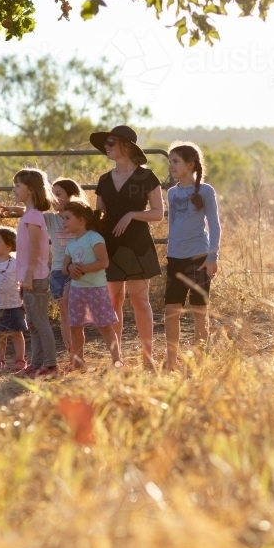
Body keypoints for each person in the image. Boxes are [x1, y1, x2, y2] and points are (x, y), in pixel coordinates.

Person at [90, 126, 165, 370]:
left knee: (140, 300)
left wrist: (132, 214)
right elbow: (98, 215)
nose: (107, 147)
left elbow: (158, 214)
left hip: (137, 245)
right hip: (109, 245)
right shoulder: (103, 180)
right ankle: (117, 359)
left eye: (111, 142)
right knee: (114, 300)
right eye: (106, 143)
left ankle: (147, 358)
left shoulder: (147, 177)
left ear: (126, 145)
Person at [163, 142, 222, 370]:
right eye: (170, 162)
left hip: (199, 258)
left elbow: (215, 226)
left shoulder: (205, 191)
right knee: (171, 311)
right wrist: (170, 253)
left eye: (175, 161)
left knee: (199, 311)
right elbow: (172, 227)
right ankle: (171, 361)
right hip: (175, 258)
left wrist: (212, 256)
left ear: (190, 164)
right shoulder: (171, 192)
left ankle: (200, 361)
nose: (171, 166)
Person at [60, 200, 121, 369]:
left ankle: (117, 359)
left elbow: (104, 262)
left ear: (81, 220)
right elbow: (64, 268)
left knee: (104, 326)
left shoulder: (94, 238)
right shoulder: (71, 243)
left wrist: (82, 269)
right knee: (75, 326)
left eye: (67, 218)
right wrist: (70, 267)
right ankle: (79, 363)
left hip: (96, 289)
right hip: (77, 291)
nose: (63, 222)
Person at [12, 168, 58, 378]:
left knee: (40, 322)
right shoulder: (30, 215)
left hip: (35, 277)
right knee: (33, 323)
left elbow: (34, 248)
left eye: (18, 186)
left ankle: (50, 364)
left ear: (29, 189)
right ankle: (37, 362)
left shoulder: (33, 217)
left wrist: (29, 274)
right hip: (29, 277)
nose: (15, 189)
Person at [46, 178, 84, 359]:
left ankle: (78, 353)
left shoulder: (81, 219)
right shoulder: (51, 218)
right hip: (59, 271)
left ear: (71, 197)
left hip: (79, 270)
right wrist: (17, 211)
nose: (53, 198)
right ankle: (71, 353)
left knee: (76, 314)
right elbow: (31, 213)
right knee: (65, 313)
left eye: (58, 194)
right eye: (51, 194)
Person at [0, 226, 28, 372]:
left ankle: (20, 359)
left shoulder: (16, 263)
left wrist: (25, 302)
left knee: (16, 332)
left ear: (8, 245)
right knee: (0, 333)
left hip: (14, 304)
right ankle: (0, 359)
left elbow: (22, 284)